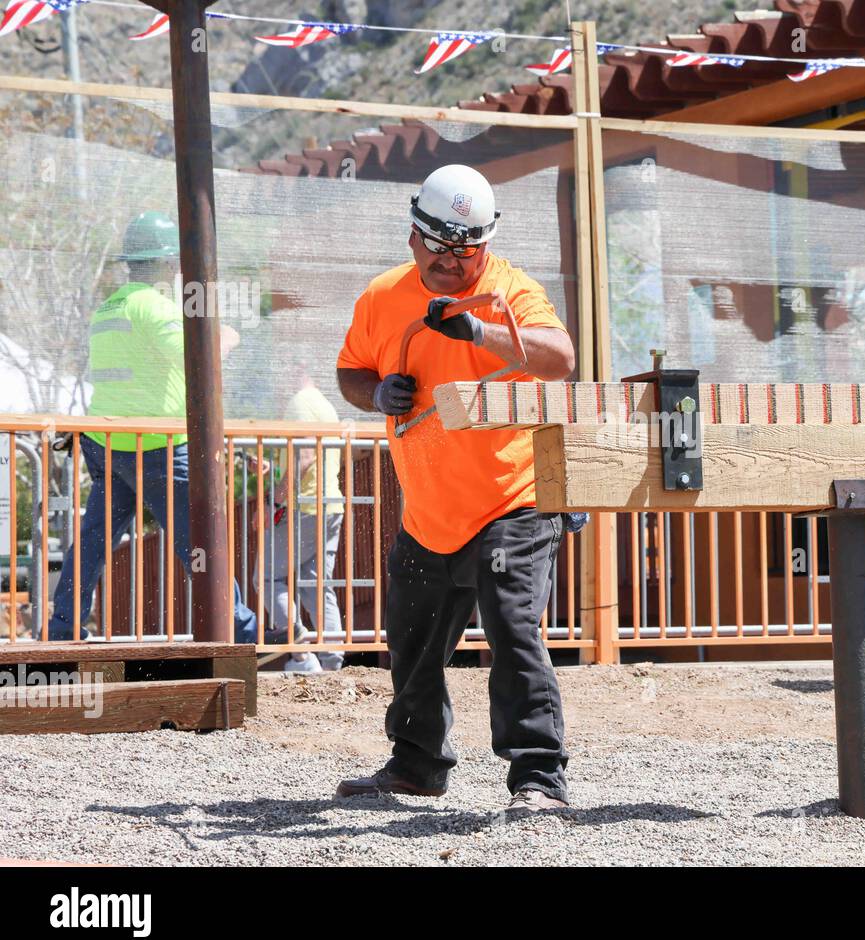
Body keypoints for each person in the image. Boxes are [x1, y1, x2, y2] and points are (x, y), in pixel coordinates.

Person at [334, 165, 576, 813]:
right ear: (414, 236)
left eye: (466, 250)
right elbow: (350, 370)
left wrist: (479, 331)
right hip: (430, 512)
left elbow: (560, 357)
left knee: (513, 630)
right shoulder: (383, 296)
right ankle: (417, 765)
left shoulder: (509, 291)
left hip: (512, 502)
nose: (451, 263)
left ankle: (537, 776)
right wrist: (377, 392)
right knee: (411, 643)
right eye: (439, 248)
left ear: (486, 244)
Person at [48, 212, 262, 643]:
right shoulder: (156, 306)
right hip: (158, 445)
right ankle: (239, 628)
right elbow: (199, 357)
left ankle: (64, 625)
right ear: (166, 262)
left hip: (106, 441)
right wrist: (228, 338)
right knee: (197, 538)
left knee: (94, 538)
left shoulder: (107, 307)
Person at [262, 361, 346, 672]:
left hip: (305, 508)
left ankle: (300, 656)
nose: (276, 385)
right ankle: (332, 660)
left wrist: (274, 503)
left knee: (267, 577)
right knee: (316, 584)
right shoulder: (323, 403)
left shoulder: (299, 405)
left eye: (278, 375)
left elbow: (305, 458)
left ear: (293, 372)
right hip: (329, 505)